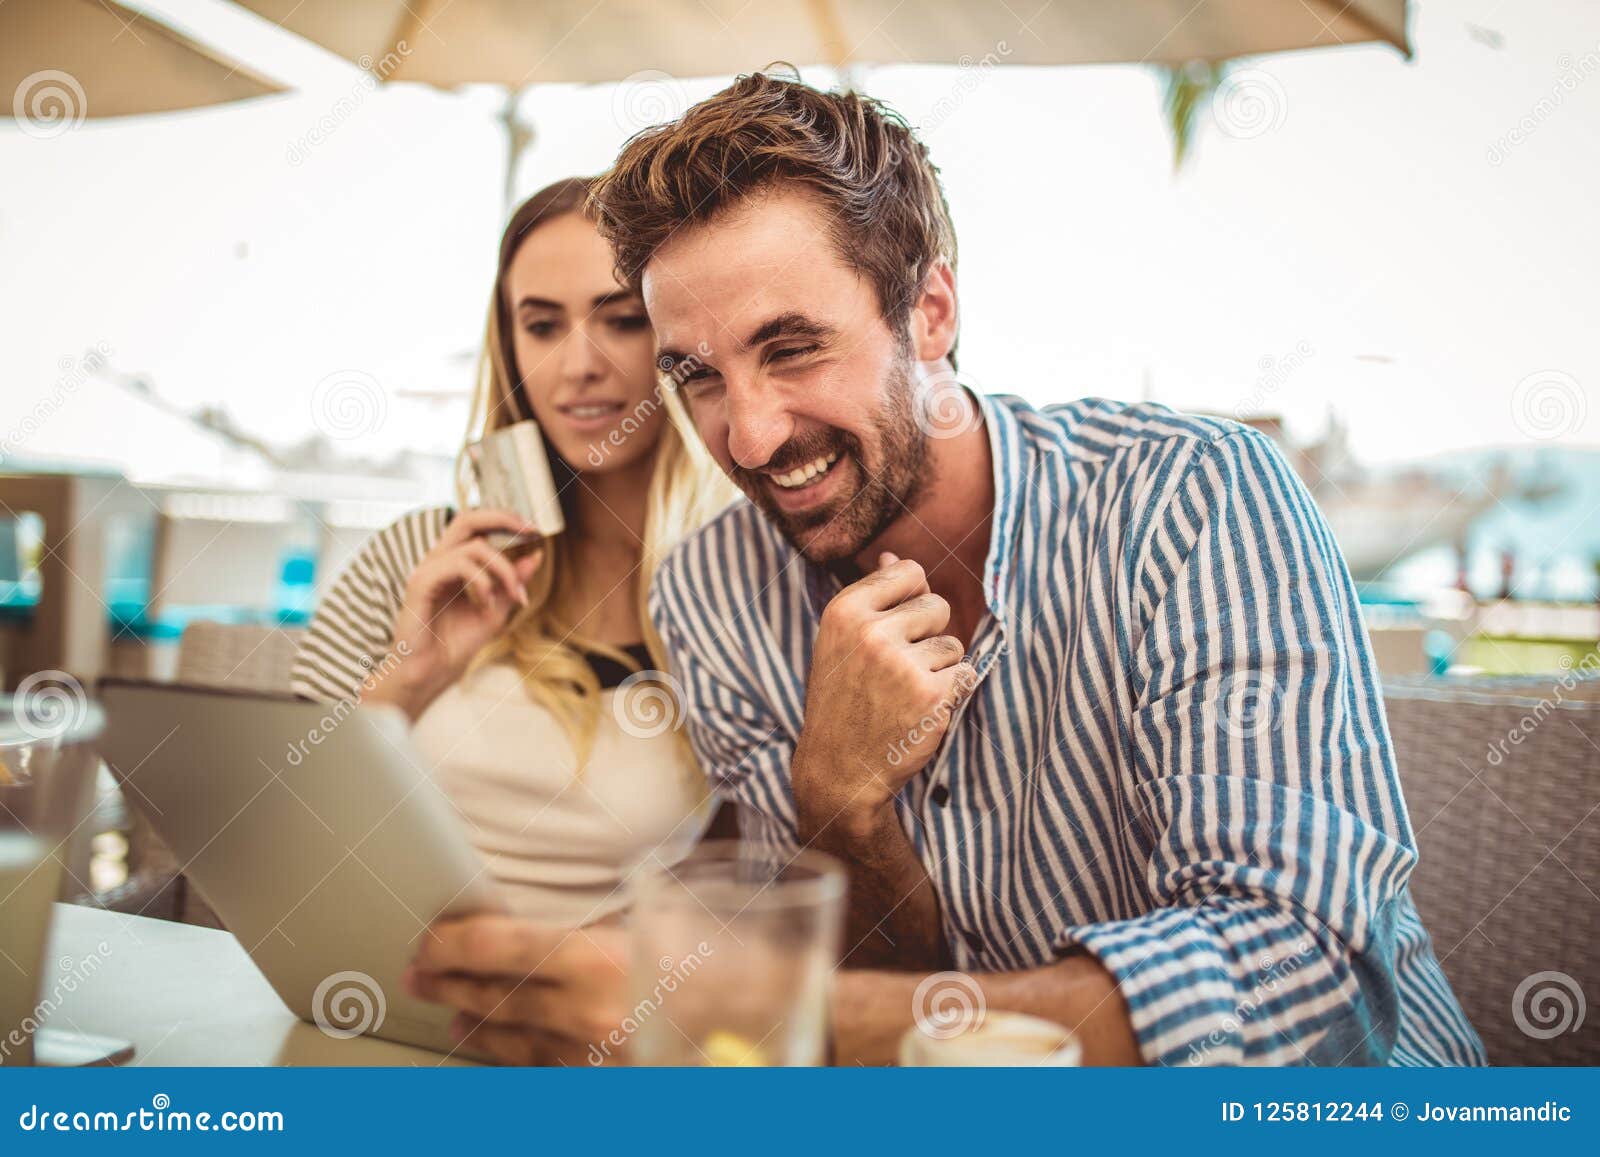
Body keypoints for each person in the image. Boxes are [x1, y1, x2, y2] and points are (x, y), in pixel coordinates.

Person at [404, 76, 1486, 1067]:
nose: (746, 435)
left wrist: (756, 1012)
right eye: (696, 375)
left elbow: (1307, 986)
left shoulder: (1192, 498)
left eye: (791, 349)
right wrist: (837, 807)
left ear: (929, 311)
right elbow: (902, 982)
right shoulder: (716, 592)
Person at [290, 177, 733, 927]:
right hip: (384, 1003)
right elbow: (285, 837)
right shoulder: (417, 555)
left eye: (621, 320)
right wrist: (410, 678)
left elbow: (757, 887)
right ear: (509, 344)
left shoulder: (737, 583)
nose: (578, 365)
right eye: (542, 325)